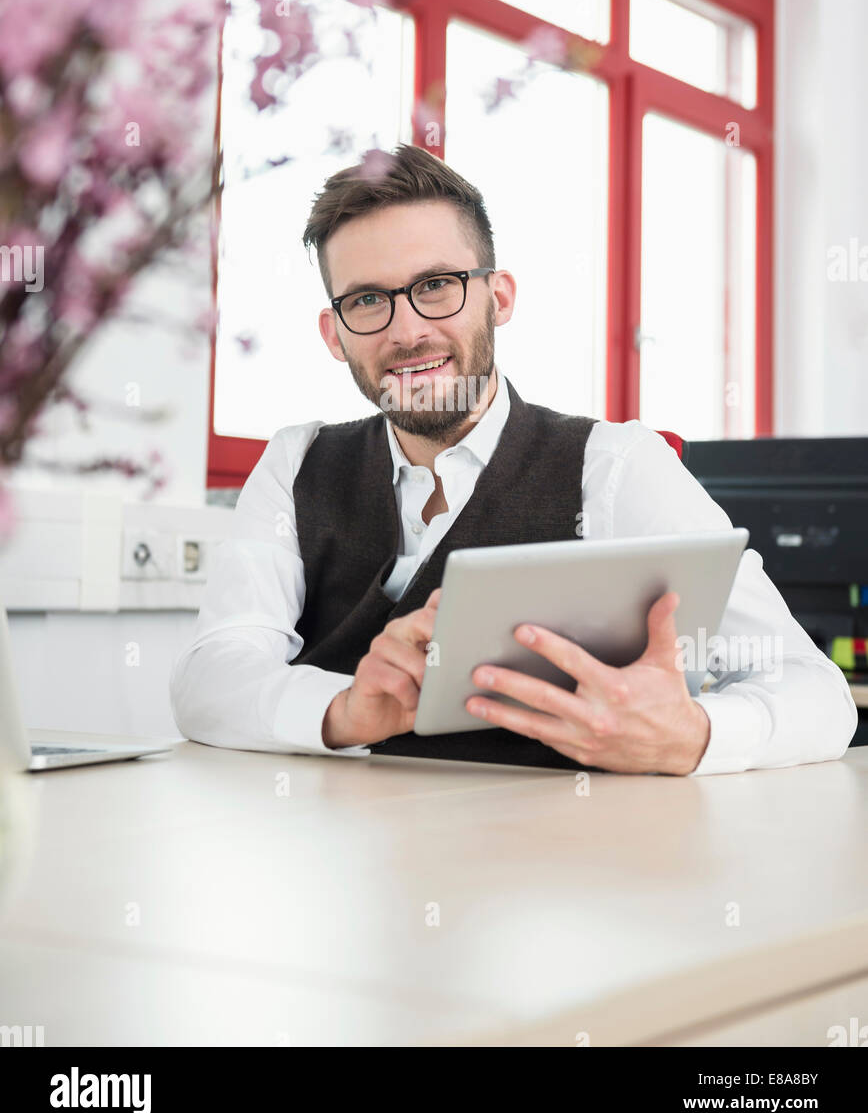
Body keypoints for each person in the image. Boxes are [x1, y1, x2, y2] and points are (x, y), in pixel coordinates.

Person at [171, 144, 857, 774]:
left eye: (436, 284)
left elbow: (816, 691)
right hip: (345, 872)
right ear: (334, 333)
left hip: (560, 881)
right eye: (369, 300)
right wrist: (343, 709)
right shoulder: (296, 464)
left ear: (498, 299)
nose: (408, 331)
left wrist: (695, 735)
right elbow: (210, 679)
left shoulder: (614, 466)